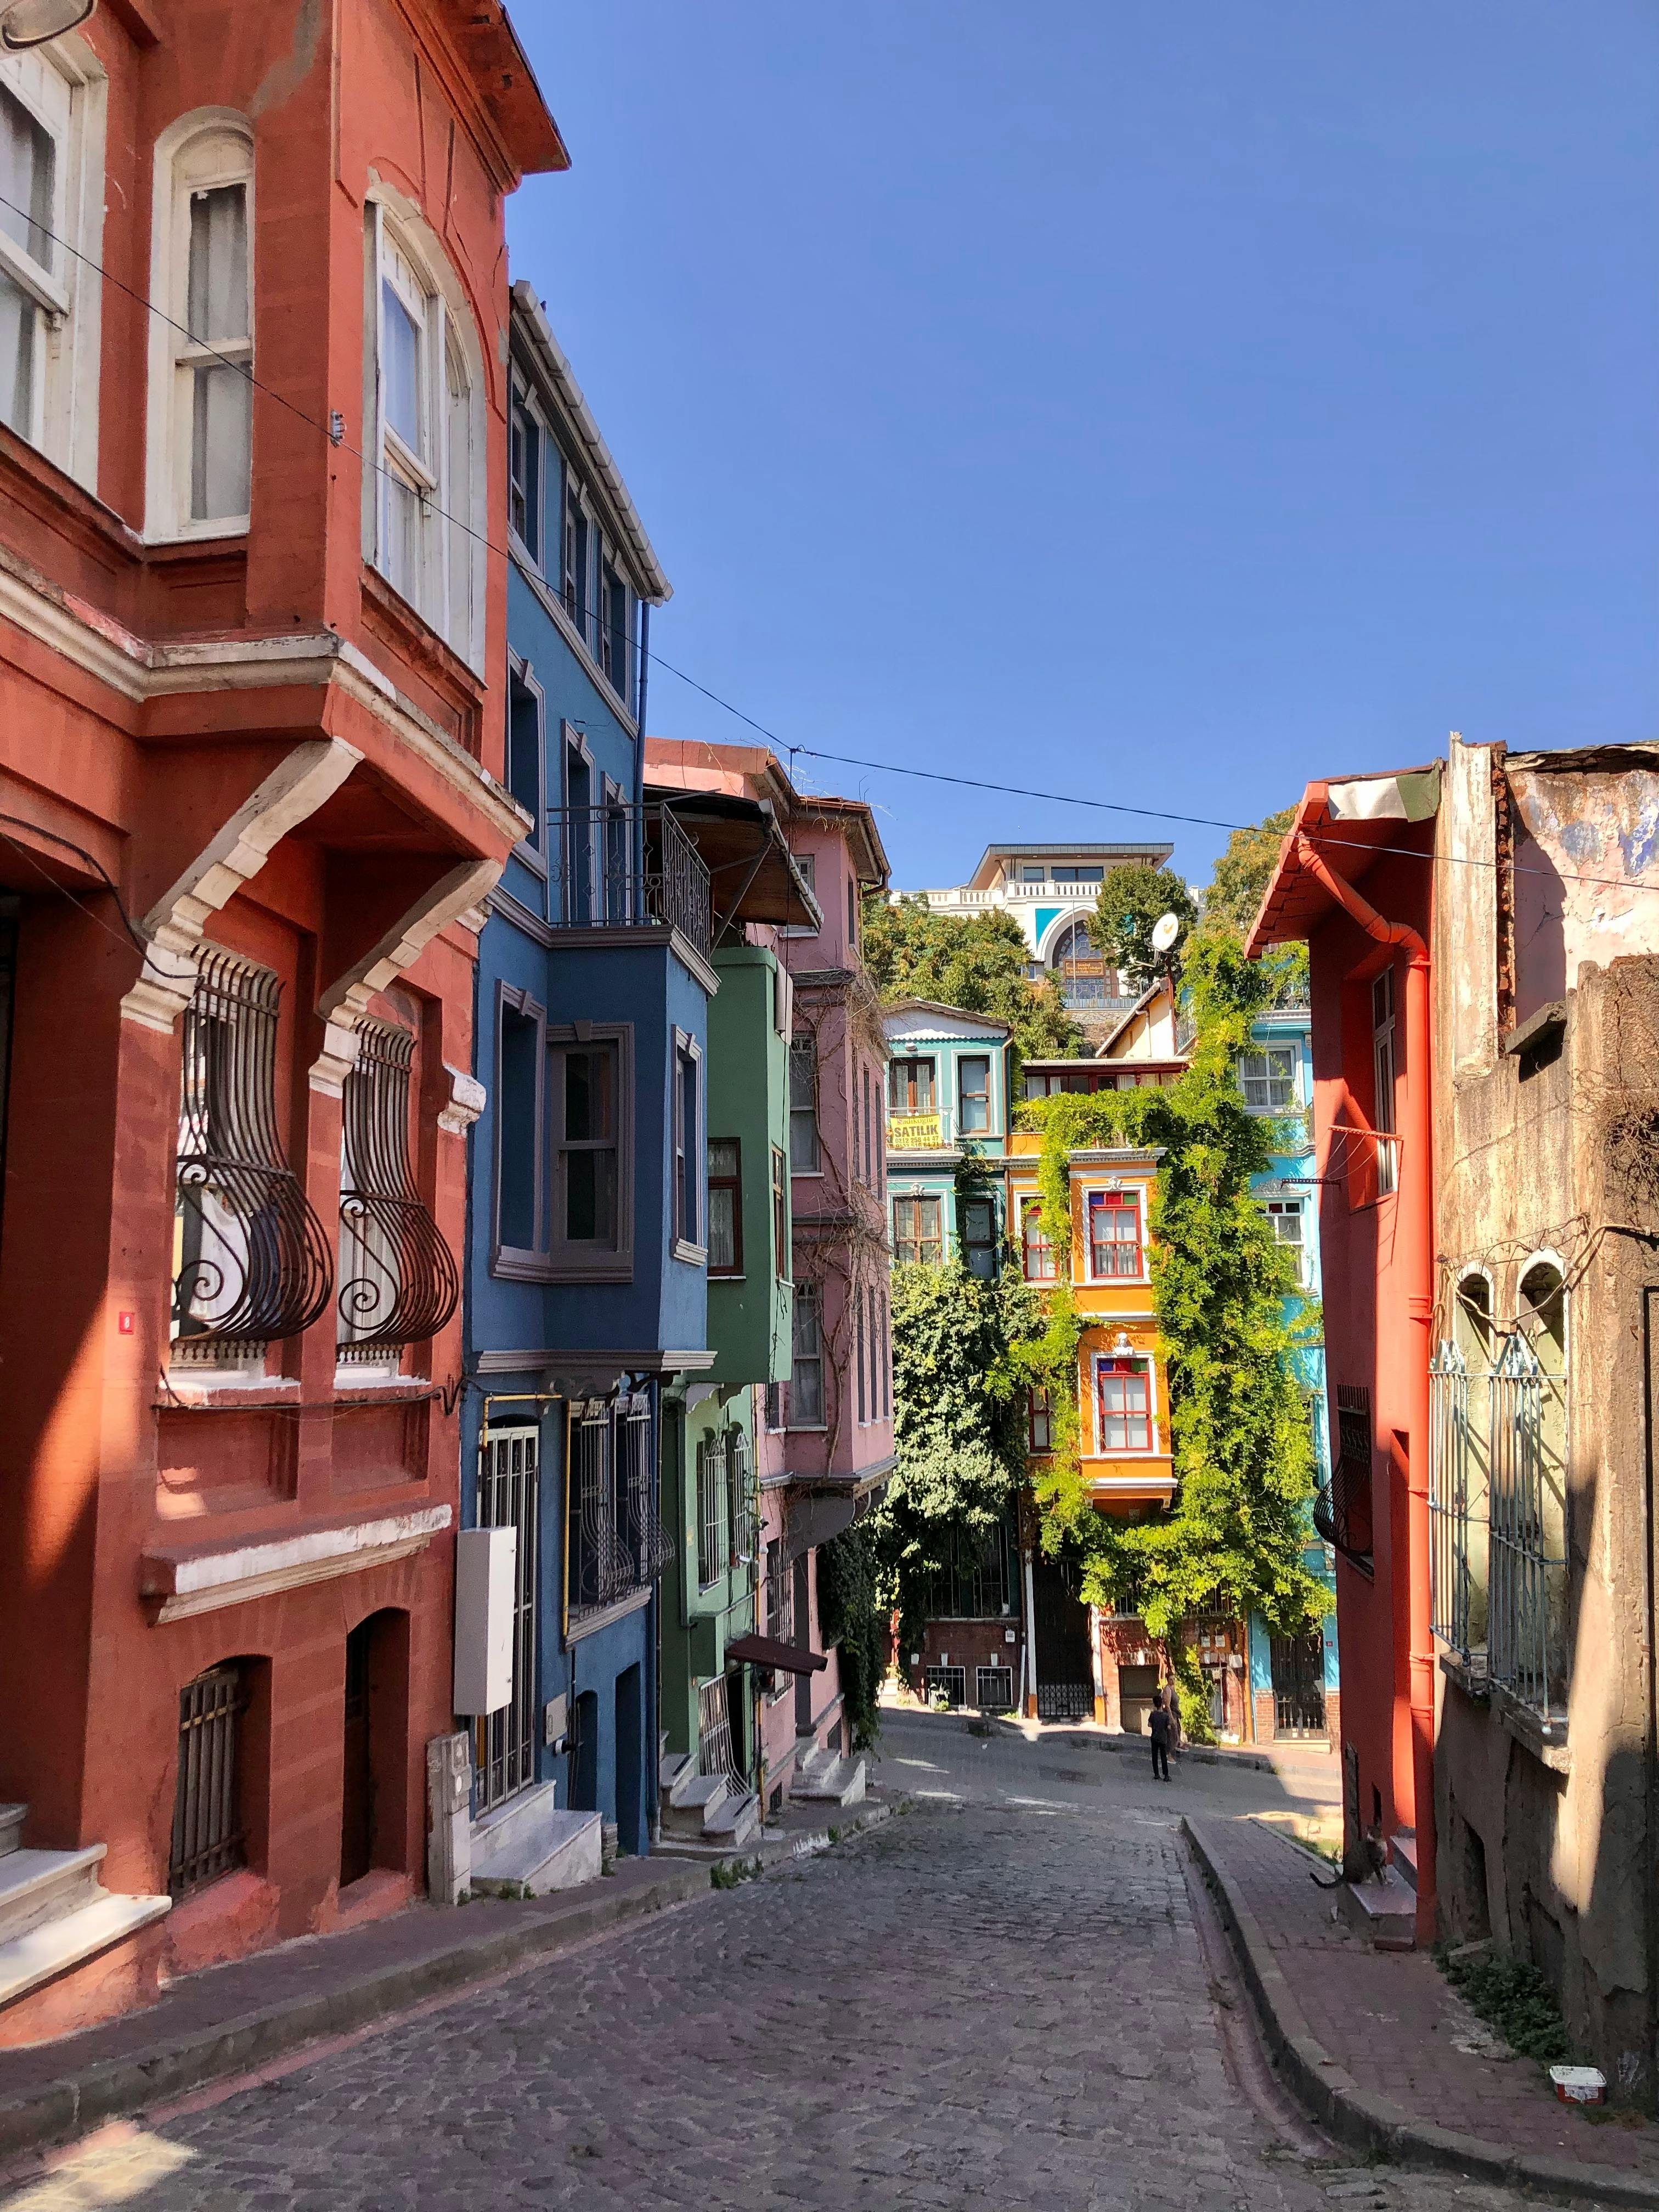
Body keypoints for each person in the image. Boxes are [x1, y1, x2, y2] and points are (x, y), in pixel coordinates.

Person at [1149, 1689, 1172, 1782]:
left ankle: (1156, 1774)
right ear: (1162, 1704)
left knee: (1154, 1756)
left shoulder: (1153, 1714)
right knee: (1163, 1757)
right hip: (1163, 1738)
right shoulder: (1166, 1716)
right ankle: (1166, 1775)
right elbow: (1169, 1727)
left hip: (1154, 1737)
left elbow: (1149, 1725)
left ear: (1155, 1704)